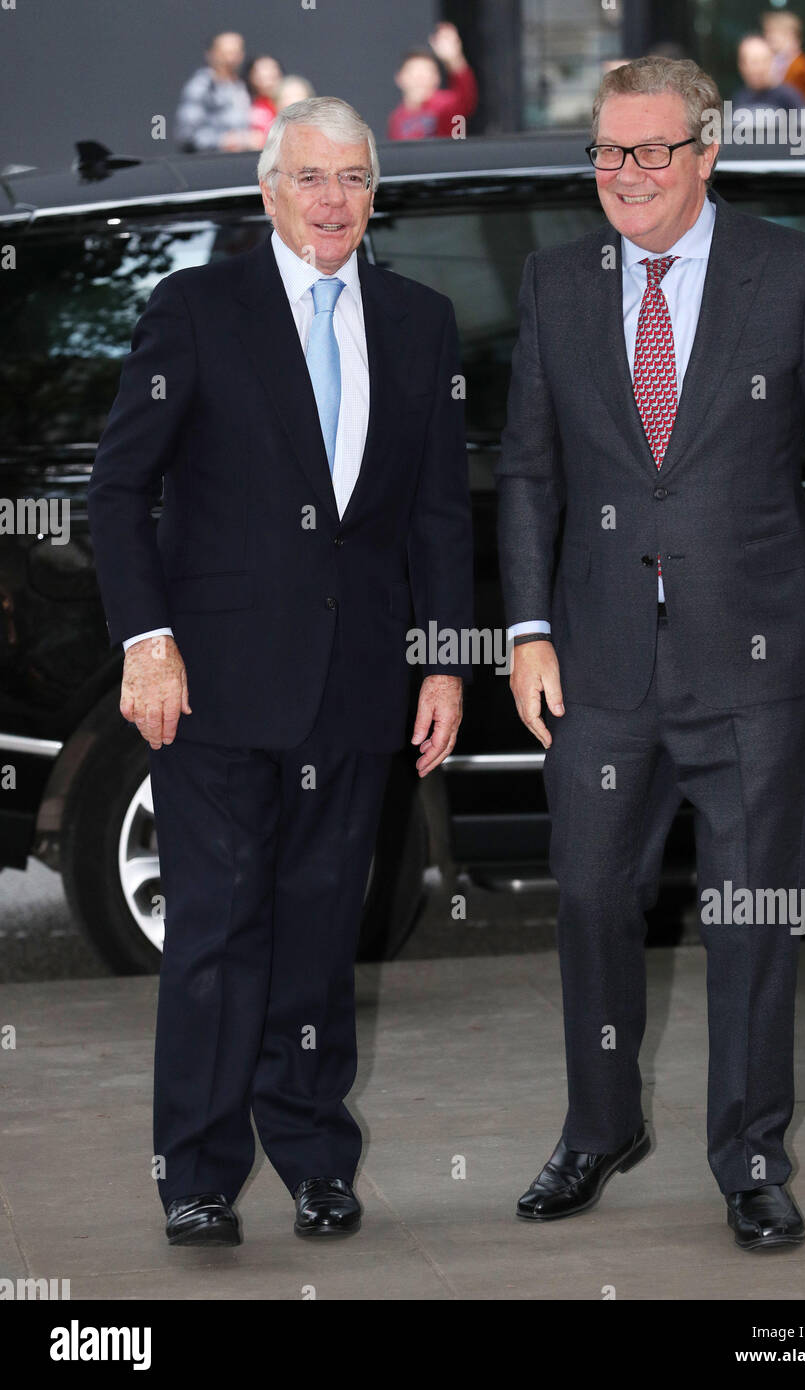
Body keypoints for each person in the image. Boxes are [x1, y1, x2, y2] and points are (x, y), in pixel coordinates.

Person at [497, 56, 805, 1250]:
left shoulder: (790, 272)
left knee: (750, 915)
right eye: (605, 154)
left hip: (757, 664)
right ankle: (598, 1124)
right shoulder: (553, 282)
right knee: (586, 900)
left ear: (705, 151)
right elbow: (528, 468)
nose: (623, 177)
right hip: (598, 663)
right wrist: (524, 630)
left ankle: (751, 1155)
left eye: (649, 151)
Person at [87, 97, 473, 1247]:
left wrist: (444, 661)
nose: (330, 200)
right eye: (308, 177)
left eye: (352, 178)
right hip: (212, 687)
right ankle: (196, 1174)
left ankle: (313, 1156)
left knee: (318, 932)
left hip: (356, 687)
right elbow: (118, 490)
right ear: (266, 190)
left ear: (373, 192)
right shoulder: (197, 310)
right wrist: (145, 642)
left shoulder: (419, 321)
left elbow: (439, 515)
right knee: (214, 933)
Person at [388, 21, 477, 140]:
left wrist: (454, 59)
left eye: (426, 73)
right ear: (400, 77)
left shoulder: (444, 105)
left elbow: (465, 98)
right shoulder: (397, 117)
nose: (420, 79)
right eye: (414, 73)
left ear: (437, 79)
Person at [175, 31, 259, 153]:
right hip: (213, 163)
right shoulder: (201, 86)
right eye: (225, 53)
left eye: (236, 53)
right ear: (211, 54)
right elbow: (187, 134)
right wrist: (223, 141)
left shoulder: (242, 86)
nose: (230, 59)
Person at [732, 34, 805, 126]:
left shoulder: (789, 97)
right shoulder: (738, 99)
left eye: (761, 61)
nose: (756, 68)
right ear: (741, 66)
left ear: (772, 61)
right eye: (749, 62)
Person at [762, 9, 805, 109]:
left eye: (772, 32)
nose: (768, 37)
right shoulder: (778, 61)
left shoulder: (801, 68)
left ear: (790, 35)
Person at [247, 55, 284, 148]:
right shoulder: (245, 105)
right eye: (261, 77)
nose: (267, 82)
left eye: (271, 76)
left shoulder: (289, 101)